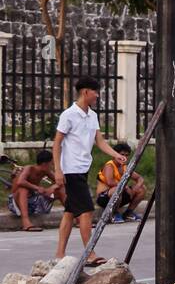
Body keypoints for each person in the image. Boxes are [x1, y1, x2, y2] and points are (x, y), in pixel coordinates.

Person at [52, 77, 125, 266]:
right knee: (86, 211)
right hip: (70, 170)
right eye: (95, 92)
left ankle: (60, 254)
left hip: (83, 168)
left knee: (70, 212)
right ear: (85, 92)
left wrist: (116, 155)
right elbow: (57, 143)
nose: (97, 96)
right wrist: (58, 170)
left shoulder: (92, 116)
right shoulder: (68, 115)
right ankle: (89, 253)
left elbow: (99, 141)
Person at [7, 149, 63, 232]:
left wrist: (52, 188)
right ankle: (26, 223)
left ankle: (76, 217)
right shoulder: (28, 168)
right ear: (45, 164)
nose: (52, 166)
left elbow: (61, 181)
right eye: (51, 164)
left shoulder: (46, 171)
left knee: (61, 190)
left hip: (34, 203)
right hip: (16, 204)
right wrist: (37, 188)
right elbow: (20, 182)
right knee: (23, 189)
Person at [96, 142, 147, 223]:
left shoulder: (124, 167)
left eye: (126, 155)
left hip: (120, 194)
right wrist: (125, 187)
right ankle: (113, 214)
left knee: (142, 189)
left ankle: (128, 213)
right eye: (122, 154)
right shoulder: (109, 166)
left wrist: (137, 186)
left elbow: (140, 178)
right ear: (114, 155)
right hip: (104, 197)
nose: (124, 157)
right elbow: (110, 182)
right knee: (117, 189)